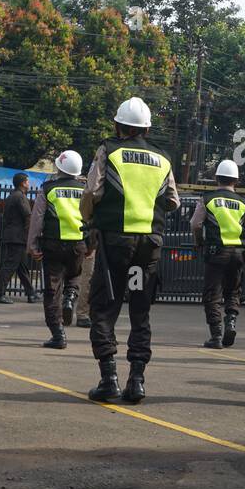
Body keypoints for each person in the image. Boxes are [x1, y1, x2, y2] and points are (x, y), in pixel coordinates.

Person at [80, 97, 179, 404]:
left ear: (118, 125)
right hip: (147, 248)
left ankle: (109, 379)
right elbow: (173, 200)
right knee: (140, 310)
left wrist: (90, 219)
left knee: (104, 308)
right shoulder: (163, 158)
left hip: (115, 246)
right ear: (146, 129)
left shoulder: (108, 150)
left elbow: (92, 192)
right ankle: (136, 380)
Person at [191, 158, 245, 350]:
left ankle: (217, 335)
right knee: (233, 290)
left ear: (216, 178)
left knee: (212, 294)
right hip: (238, 253)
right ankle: (231, 322)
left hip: (216, 251)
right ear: (236, 180)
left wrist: (199, 241)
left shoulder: (207, 199)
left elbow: (195, 224)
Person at [27, 150, 88, 350]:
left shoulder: (48, 189)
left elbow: (36, 219)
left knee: (52, 289)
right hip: (78, 242)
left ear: (59, 167)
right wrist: (91, 245)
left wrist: (32, 245)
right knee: (74, 275)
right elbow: (92, 218)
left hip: (52, 243)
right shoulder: (85, 189)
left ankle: (58, 333)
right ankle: (70, 297)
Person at [0, 172, 36, 304]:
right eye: (28, 181)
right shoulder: (20, 197)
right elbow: (28, 216)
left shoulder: (12, 196)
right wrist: (31, 235)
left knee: (21, 267)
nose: (29, 184)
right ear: (23, 183)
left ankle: (31, 293)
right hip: (18, 237)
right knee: (10, 266)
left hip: (13, 235)